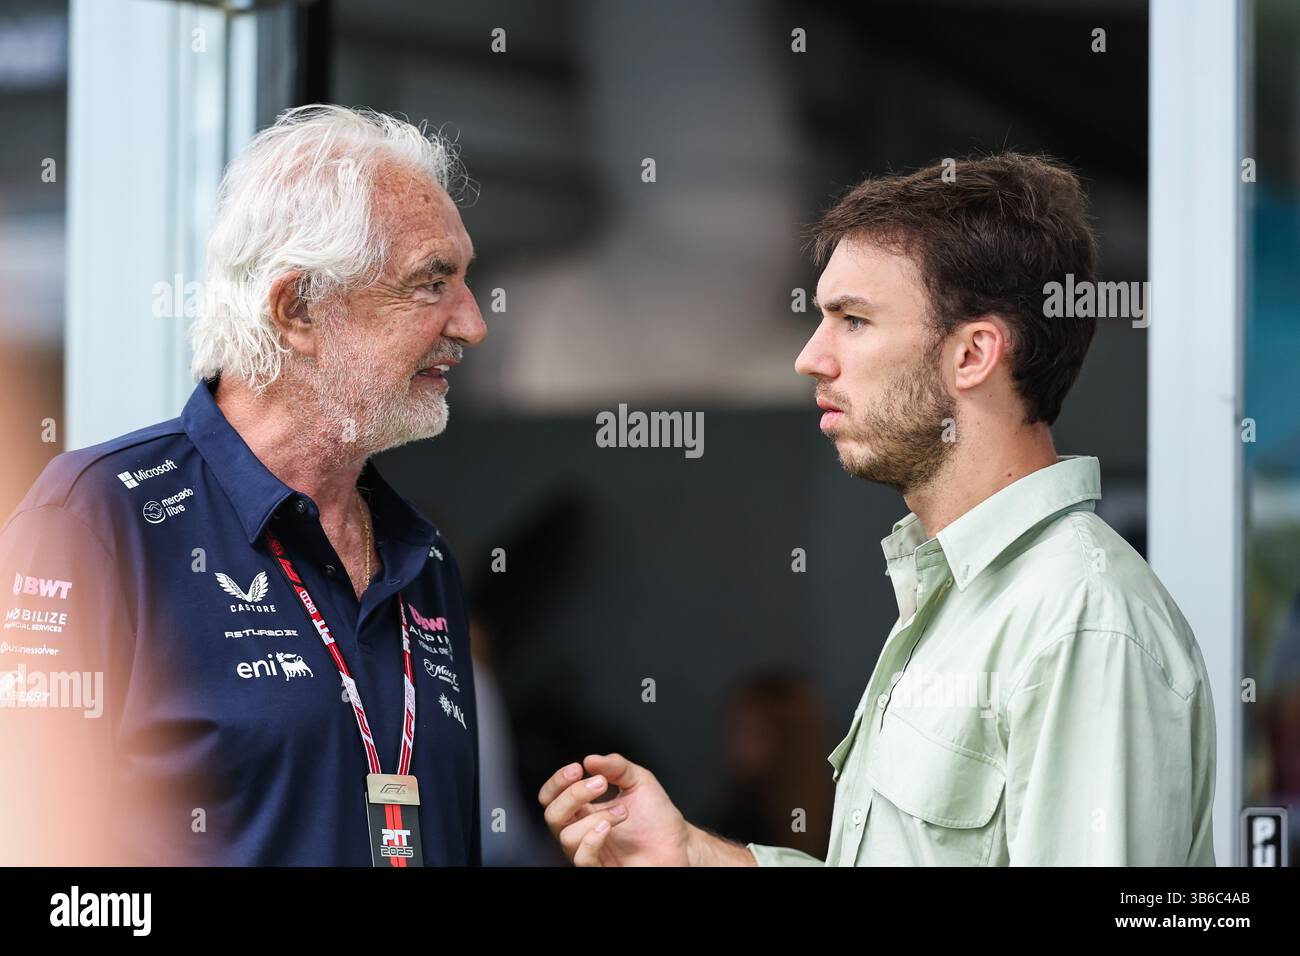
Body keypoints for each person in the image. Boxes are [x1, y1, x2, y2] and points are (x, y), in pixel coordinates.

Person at [538, 153, 1217, 866]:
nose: (810, 357)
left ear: (973, 354)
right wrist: (694, 855)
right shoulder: (958, 597)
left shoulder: (1082, 622)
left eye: (854, 320)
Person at [0, 105, 486, 865]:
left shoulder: (422, 563)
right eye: (432, 284)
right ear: (298, 309)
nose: (472, 322)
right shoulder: (97, 520)